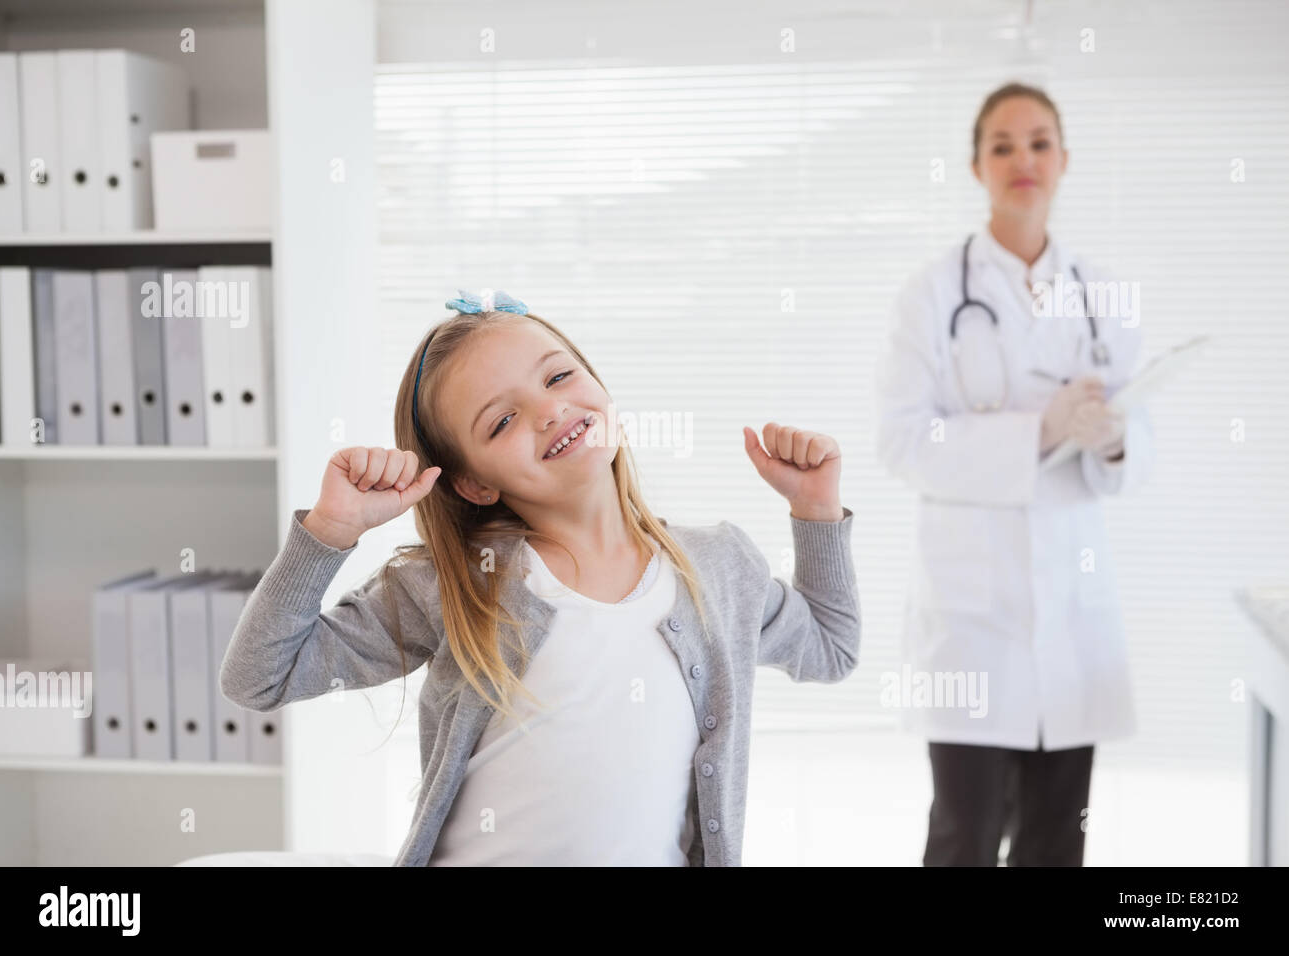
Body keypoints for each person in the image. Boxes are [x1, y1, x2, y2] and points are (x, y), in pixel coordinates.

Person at [221, 290, 861, 866]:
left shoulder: (720, 569)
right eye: (501, 421)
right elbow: (259, 677)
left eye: (559, 376)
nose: (550, 410)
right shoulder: (458, 587)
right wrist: (330, 531)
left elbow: (832, 649)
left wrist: (816, 510)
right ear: (474, 482)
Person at [875, 84, 1153, 866]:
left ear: (1064, 160)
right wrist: (1038, 431)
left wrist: (1113, 440)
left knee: (1058, 842)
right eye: (1002, 145)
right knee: (963, 838)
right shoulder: (932, 294)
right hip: (973, 619)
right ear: (976, 165)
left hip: (1074, 613)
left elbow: (1143, 433)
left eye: (1038, 142)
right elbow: (902, 440)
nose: (1021, 159)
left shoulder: (1103, 293)